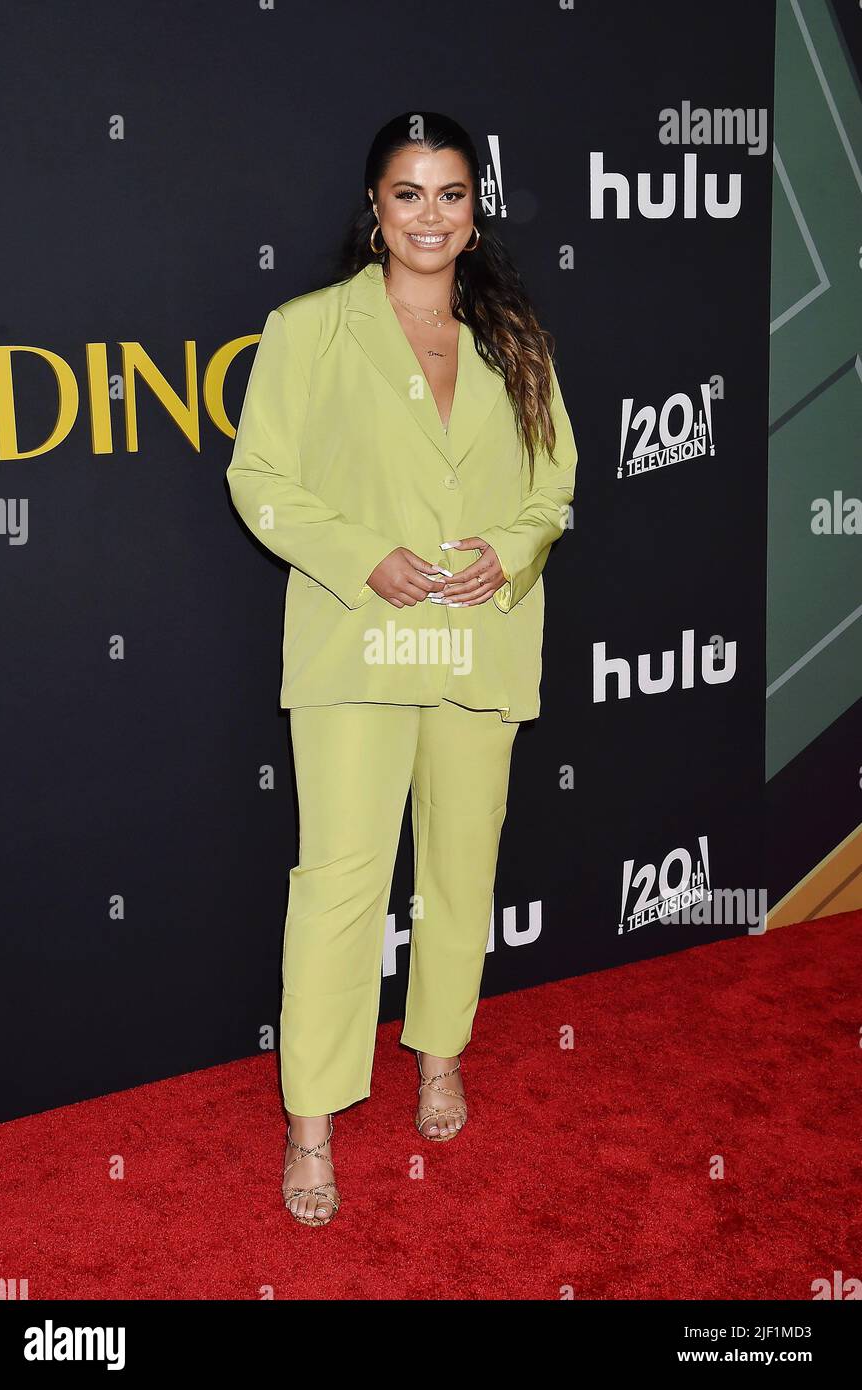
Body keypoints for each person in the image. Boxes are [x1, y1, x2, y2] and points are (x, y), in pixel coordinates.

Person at [226, 110, 578, 1226]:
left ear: (476, 212)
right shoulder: (308, 329)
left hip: (478, 639)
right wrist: (357, 556)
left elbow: (555, 484)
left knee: (461, 871)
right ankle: (311, 1123)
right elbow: (258, 479)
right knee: (339, 885)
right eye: (409, 193)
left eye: (452, 193)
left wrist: (511, 552)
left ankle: (439, 1055)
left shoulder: (514, 337)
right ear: (375, 211)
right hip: (359, 639)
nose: (432, 215)